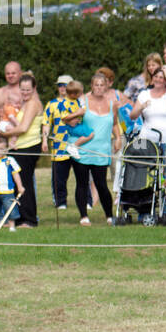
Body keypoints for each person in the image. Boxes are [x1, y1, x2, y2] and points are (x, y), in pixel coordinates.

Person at [71, 73, 119, 225]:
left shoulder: (112, 104)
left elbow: (115, 124)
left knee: (102, 185)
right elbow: (72, 121)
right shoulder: (82, 101)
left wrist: (117, 138)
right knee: (82, 183)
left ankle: (109, 216)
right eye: (96, 85)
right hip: (83, 150)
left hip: (101, 151)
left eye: (102, 85)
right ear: (91, 86)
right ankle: (83, 216)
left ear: (106, 86)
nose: (99, 88)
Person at [6, 72, 45, 227]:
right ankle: (17, 217)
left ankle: (29, 219)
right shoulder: (23, 104)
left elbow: (23, 128)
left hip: (29, 147)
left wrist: (4, 133)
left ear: (34, 88)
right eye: (22, 90)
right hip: (18, 147)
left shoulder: (33, 104)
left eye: (28, 90)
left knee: (24, 182)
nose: (25, 93)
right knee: (15, 183)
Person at [42, 75, 83, 210]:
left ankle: (85, 201)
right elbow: (46, 123)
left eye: (65, 85)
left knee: (82, 176)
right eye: (60, 85)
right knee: (59, 178)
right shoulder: (52, 104)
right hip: (59, 146)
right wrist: (45, 140)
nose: (62, 88)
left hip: (77, 145)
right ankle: (61, 202)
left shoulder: (79, 103)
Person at [131, 62, 166, 150]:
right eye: (156, 76)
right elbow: (132, 116)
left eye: (161, 77)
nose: (158, 79)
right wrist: (141, 107)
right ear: (152, 78)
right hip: (147, 140)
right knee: (144, 163)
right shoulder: (144, 94)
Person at [0, 61, 23, 145]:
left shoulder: (25, 92)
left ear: (20, 73)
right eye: (8, 73)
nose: (10, 76)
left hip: (21, 138)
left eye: (13, 73)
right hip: (3, 138)